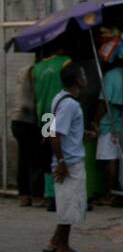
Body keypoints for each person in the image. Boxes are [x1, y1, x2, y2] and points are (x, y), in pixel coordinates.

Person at [45, 63, 89, 252]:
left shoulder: (60, 98)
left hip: (67, 158)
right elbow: (55, 133)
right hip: (69, 162)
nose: (85, 77)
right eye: (83, 74)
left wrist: (81, 133)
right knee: (70, 203)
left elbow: (55, 128)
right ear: (77, 80)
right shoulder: (70, 104)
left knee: (67, 203)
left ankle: (55, 240)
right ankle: (63, 247)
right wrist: (62, 161)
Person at [32, 42, 72, 212]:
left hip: (44, 115)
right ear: (60, 49)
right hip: (61, 111)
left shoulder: (37, 68)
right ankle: (62, 195)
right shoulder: (65, 62)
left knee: (48, 154)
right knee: (64, 152)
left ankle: (51, 196)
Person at [91, 37, 123, 205]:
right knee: (117, 158)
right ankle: (114, 191)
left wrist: (95, 121)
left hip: (109, 123)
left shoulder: (110, 76)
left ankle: (109, 193)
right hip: (122, 123)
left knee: (109, 159)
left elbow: (104, 102)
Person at [9, 58, 42, 207]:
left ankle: (24, 195)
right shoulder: (37, 73)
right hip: (30, 121)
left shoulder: (22, 71)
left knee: (23, 157)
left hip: (16, 121)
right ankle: (36, 195)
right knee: (35, 158)